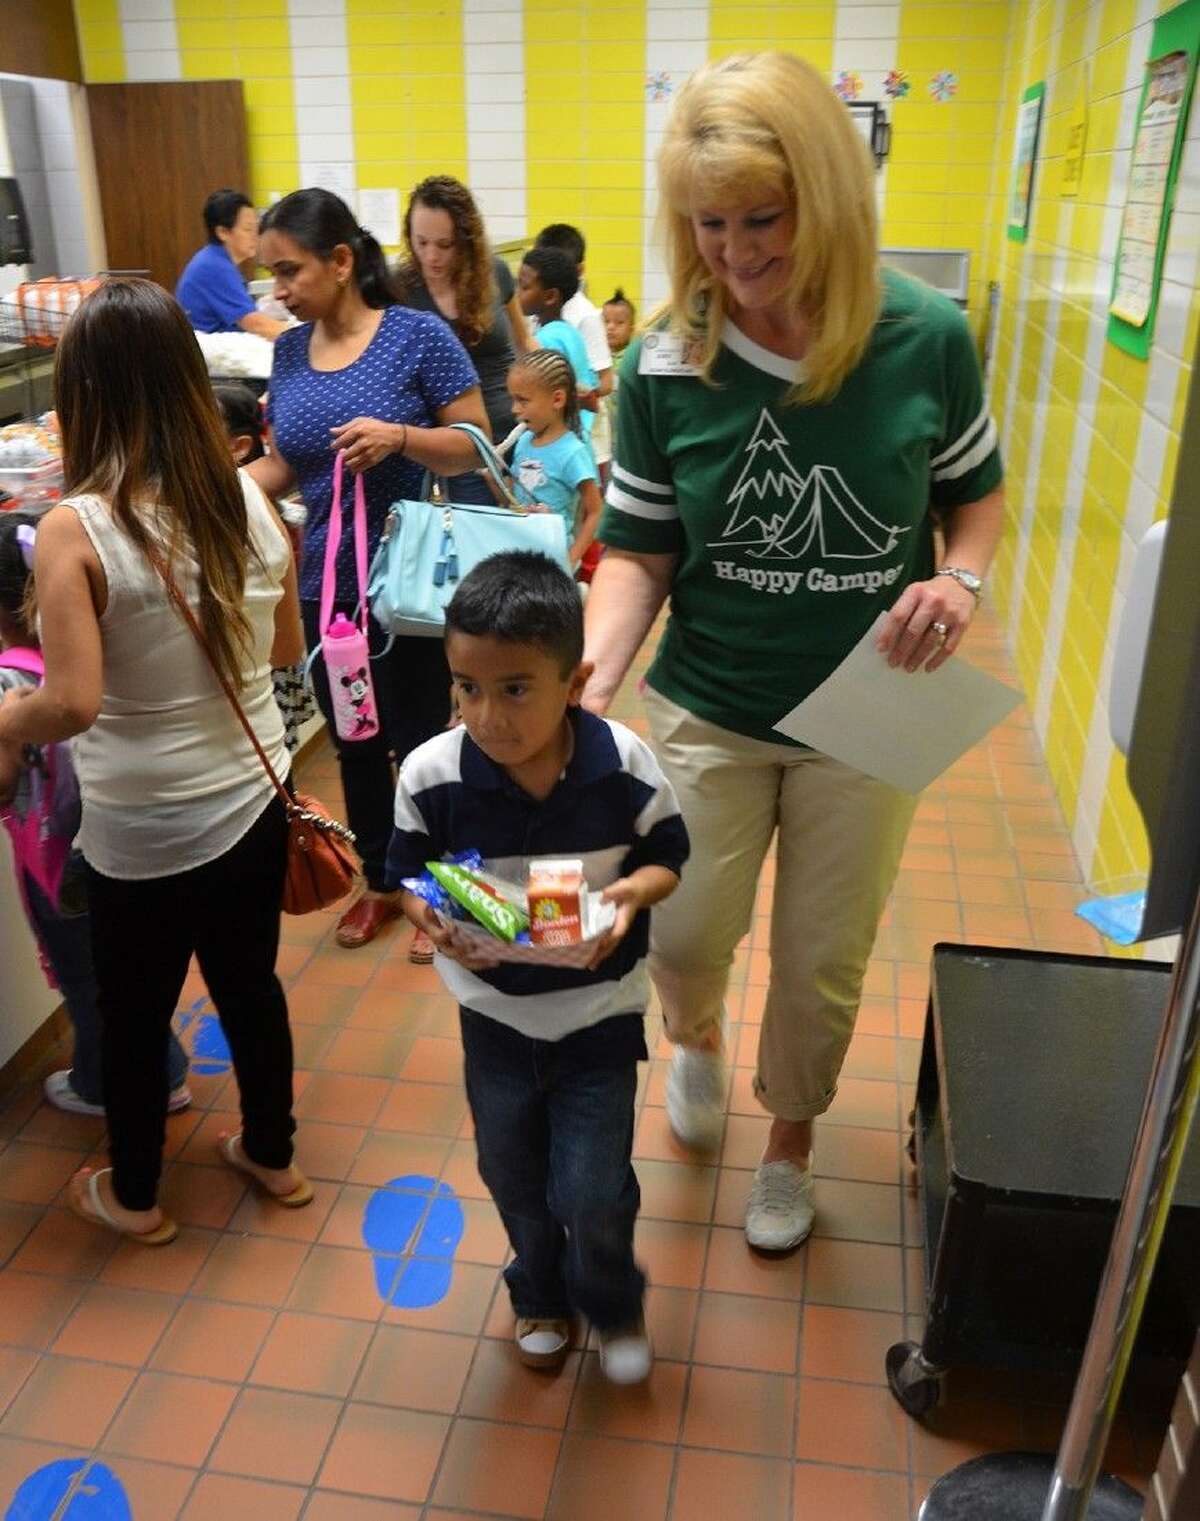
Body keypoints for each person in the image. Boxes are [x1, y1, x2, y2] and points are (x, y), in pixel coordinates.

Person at [584, 51, 1005, 1252]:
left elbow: (972, 502)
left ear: (824, 195)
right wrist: (602, 666)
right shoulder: (669, 356)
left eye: (762, 218)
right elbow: (639, 548)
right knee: (684, 929)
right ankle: (699, 1036)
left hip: (872, 710)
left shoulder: (923, 338)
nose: (737, 254)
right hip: (712, 701)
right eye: (708, 225)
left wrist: (959, 580)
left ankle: (792, 1141)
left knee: (825, 960)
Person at [0, 278, 313, 1244]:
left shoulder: (77, 527)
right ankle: (272, 1153)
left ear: (84, 395)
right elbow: (281, 654)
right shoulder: (252, 503)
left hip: (143, 827)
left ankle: (138, 1196)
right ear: (186, 377)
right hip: (255, 800)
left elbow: (75, 702)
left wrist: (10, 714)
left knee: (136, 1016)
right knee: (250, 986)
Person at [388, 551, 688, 1383]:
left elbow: (669, 852)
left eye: (515, 687)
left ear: (575, 678)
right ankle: (538, 1292)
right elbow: (407, 870)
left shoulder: (621, 764)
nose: (488, 715)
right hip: (492, 1015)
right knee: (510, 1170)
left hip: (599, 1011)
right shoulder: (431, 772)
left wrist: (629, 895)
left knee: (591, 1187)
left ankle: (614, 1299)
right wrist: (433, 918)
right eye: (466, 687)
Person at [251, 188, 490, 955]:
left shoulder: (416, 337)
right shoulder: (288, 352)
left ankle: (444, 885)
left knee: (424, 740)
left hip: (409, 586)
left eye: (289, 272)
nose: (278, 292)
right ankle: (383, 883)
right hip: (328, 588)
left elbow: (478, 441)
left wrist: (401, 437)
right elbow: (288, 462)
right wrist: (209, 491)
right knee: (357, 743)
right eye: (270, 277)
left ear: (343, 260)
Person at [0, 509, 191, 1118]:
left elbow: (4, 787)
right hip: (136, 840)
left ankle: (108, 1086)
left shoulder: (10, 682)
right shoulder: (103, 655)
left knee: (92, 986)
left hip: (64, 872)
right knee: (136, 972)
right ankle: (166, 1070)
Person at [393, 175, 530, 503]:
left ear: (466, 241)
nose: (431, 257)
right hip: (462, 445)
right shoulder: (399, 288)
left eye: (444, 244)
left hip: (521, 429)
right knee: (479, 538)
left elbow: (525, 343)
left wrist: (561, 385)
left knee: (534, 536)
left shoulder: (493, 272)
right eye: (421, 242)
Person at [213, 382, 317, 755]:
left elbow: (286, 645)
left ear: (240, 446)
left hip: (261, 672)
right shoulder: (257, 505)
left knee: (272, 759)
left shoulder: (254, 513)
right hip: (255, 670)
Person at [506, 351, 602, 571]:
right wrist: (493, 478)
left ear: (557, 399)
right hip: (518, 556)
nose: (514, 409)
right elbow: (510, 500)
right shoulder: (523, 442)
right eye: (513, 399)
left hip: (553, 563)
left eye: (523, 400)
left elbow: (596, 511)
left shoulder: (573, 452)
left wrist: (571, 560)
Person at [533, 224, 615, 473]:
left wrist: (569, 394)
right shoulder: (534, 315)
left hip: (586, 428)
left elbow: (606, 381)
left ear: (579, 271)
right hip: (553, 424)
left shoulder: (585, 316)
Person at [176, 190, 287, 340]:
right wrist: (300, 339)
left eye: (256, 228)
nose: (255, 236)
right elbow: (256, 324)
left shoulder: (214, 260)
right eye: (248, 229)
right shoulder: (214, 267)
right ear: (222, 232)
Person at [517, 247, 598, 442]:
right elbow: (590, 381)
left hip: (558, 440)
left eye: (524, 287)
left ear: (550, 296)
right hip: (580, 434)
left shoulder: (546, 340)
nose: (516, 293)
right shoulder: (570, 332)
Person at [602, 288, 635, 358]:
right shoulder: (596, 354)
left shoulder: (633, 356)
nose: (610, 327)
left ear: (631, 329)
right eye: (606, 321)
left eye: (619, 322)